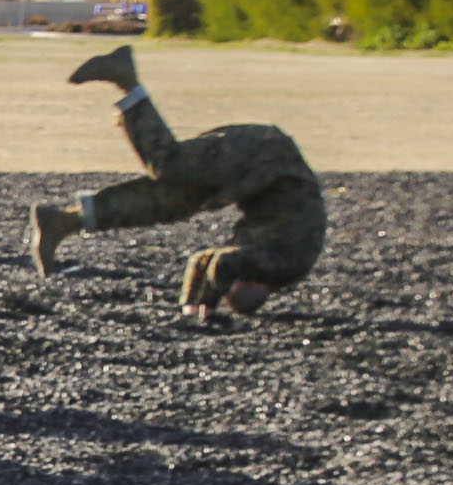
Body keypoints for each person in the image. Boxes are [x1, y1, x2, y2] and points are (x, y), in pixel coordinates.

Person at [26, 45, 326, 321]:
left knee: (172, 201)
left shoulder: (263, 261)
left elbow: (202, 261)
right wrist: (210, 308)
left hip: (258, 177)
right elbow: (221, 266)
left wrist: (191, 308)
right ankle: (125, 80)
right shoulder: (281, 266)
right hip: (265, 159)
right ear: (258, 284)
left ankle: (66, 221)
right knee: (170, 165)